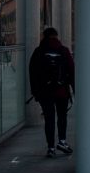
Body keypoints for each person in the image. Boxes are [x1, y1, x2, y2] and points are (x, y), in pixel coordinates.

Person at [28, 27, 75, 157]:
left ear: (44, 36)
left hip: (45, 92)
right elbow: (71, 72)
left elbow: (33, 73)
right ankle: (62, 141)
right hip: (62, 91)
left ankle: (51, 148)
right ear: (57, 36)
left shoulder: (38, 52)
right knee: (62, 116)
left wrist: (35, 92)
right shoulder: (64, 51)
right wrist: (74, 89)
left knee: (49, 119)